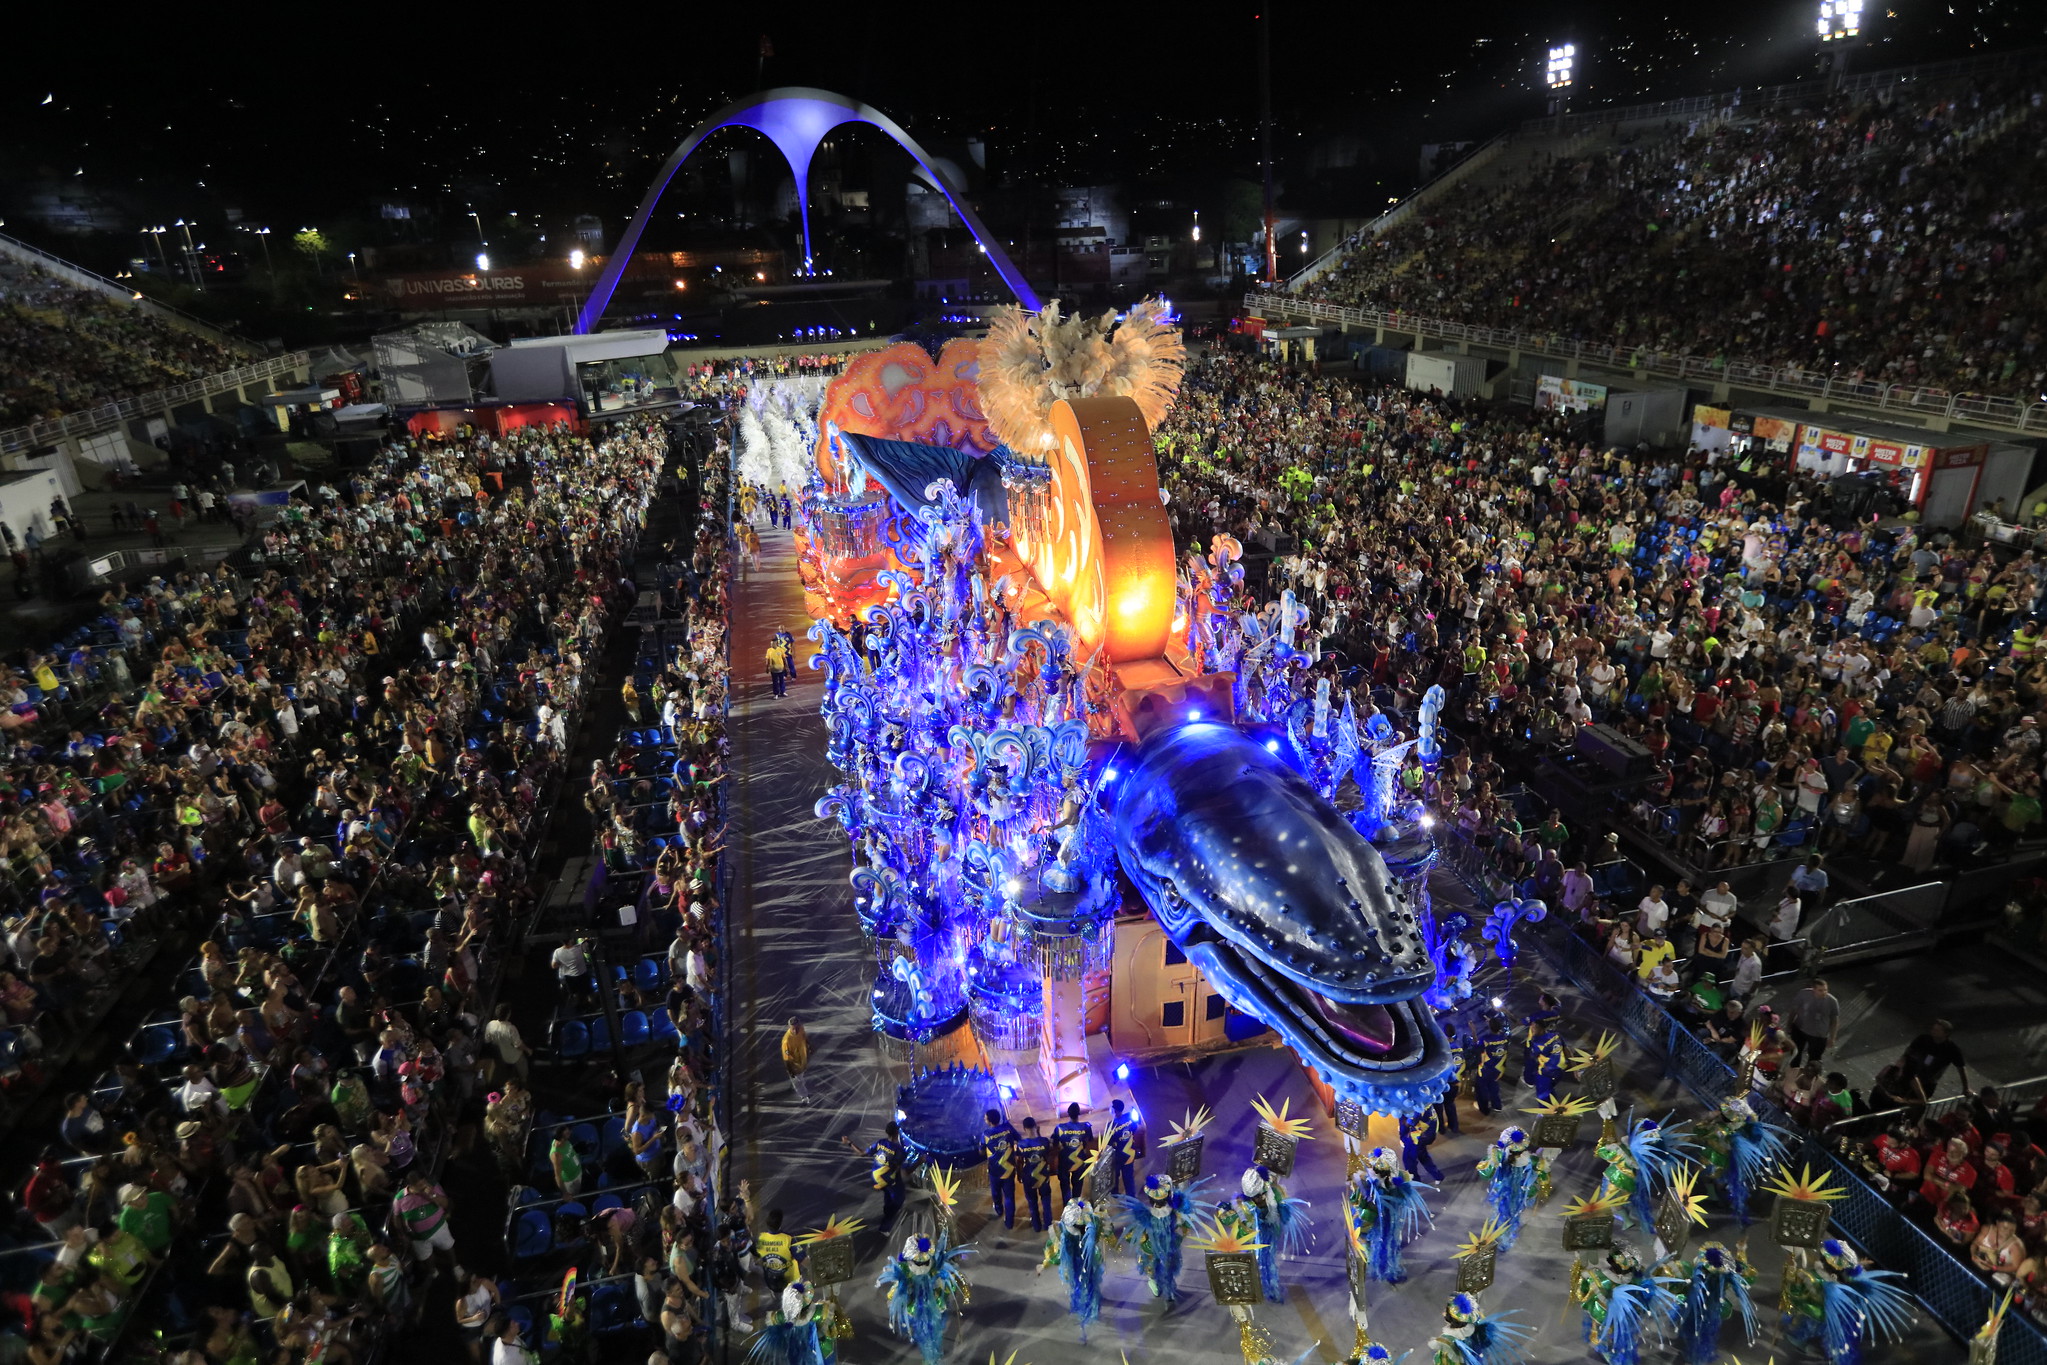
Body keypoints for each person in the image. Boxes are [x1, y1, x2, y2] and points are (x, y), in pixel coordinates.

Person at [1901, 1019, 1970, 1099]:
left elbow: (1961, 1068)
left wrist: (1966, 1088)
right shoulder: (1923, 1039)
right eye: (1933, 1029)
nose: (1933, 1031)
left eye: (1937, 1030)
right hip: (1910, 1076)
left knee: (1918, 1101)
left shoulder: (1951, 1049)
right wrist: (1900, 1066)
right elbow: (1908, 1052)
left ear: (1946, 1033)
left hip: (1928, 1083)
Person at [1786, 979, 1840, 1068]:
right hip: (1800, 1029)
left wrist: (1832, 1038)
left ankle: (1809, 1074)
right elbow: (1794, 1010)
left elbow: (1834, 1021)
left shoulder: (1832, 1001)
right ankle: (1793, 1072)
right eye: (1820, 990)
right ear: (1813, 989)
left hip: (1818, 1035)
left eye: (1826, 990)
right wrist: (1789, 1025)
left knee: (1814, 1060)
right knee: (1795, 1054)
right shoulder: (1804, 994)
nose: (1824, 992)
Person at [981, 1107, 1019, 1229]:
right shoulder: (1008, 1128)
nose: (984, 1119)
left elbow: (981, 1151)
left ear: (989, 1121)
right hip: (1009, 1170)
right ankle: (1010, 1222)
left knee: (996, 1193)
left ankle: (999, 1210)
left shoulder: (986, 1134)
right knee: (1009, 1196)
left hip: (995, 1171)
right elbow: (1019, 1139)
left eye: (985, 1118)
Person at [780, 1016, 810, 1103]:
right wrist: (790, 1070)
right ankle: (804, 1097)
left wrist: (809, 1046)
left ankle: (802, 1088)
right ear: (790, 1027)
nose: (795, 1031)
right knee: (797, 1082)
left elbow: (804, 1037)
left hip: (803, 1059)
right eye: (793, 1029)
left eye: (797, 1028)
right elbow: (786, 1058)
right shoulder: (786, 1041)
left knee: (800, 1079)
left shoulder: (801, 1029)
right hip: (794, 1064)